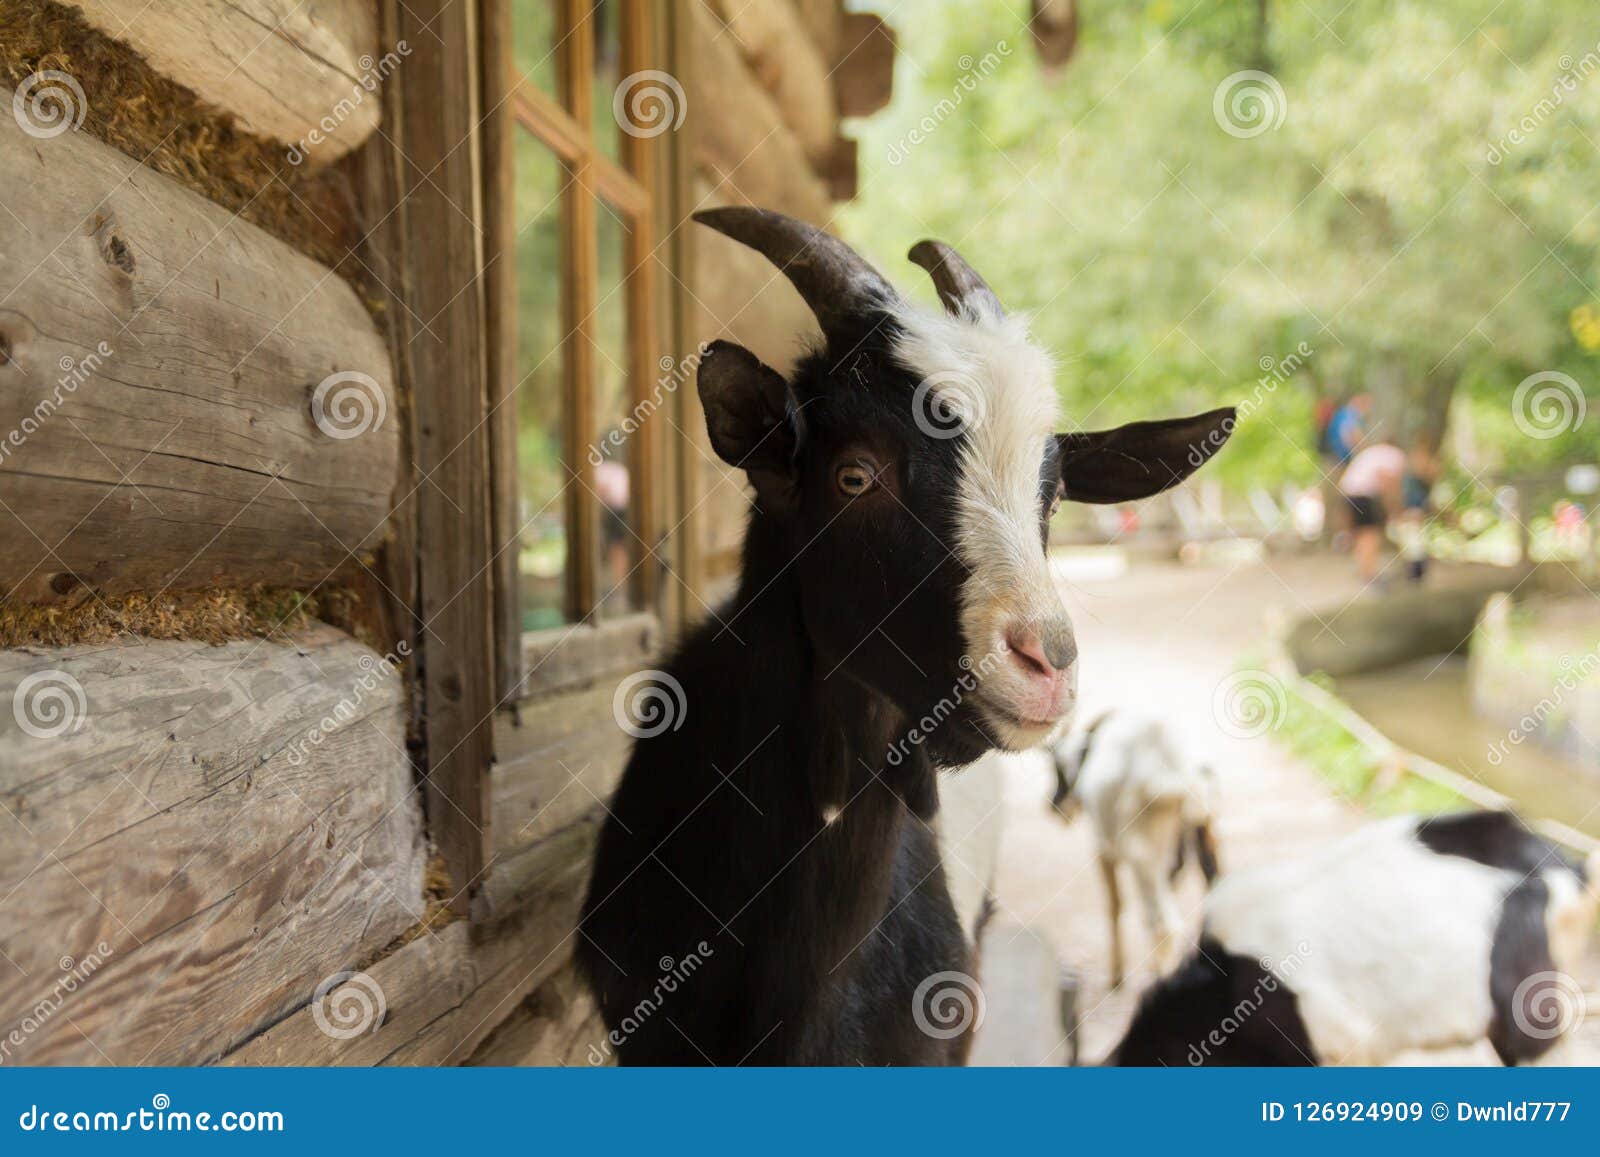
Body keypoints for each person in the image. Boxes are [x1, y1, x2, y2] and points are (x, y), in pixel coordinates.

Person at [1338, 440, 1406, 586]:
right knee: (1370, 534)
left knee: (1361, 534)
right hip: (1361, 495)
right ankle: (1370, 574)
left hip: (1348, 492)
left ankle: (1364, 570)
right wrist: (1394, 510)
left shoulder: (1374, 451)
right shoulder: (1395, 456)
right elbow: (1387, 483)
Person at [1396, 437, 1440, 583]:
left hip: (1416, 502)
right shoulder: (1418, 461)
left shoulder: (1423, 461)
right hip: (1413, 503)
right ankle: (1414, 570)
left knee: (1414, 536)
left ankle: (1416, 571)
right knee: (1412, 536)